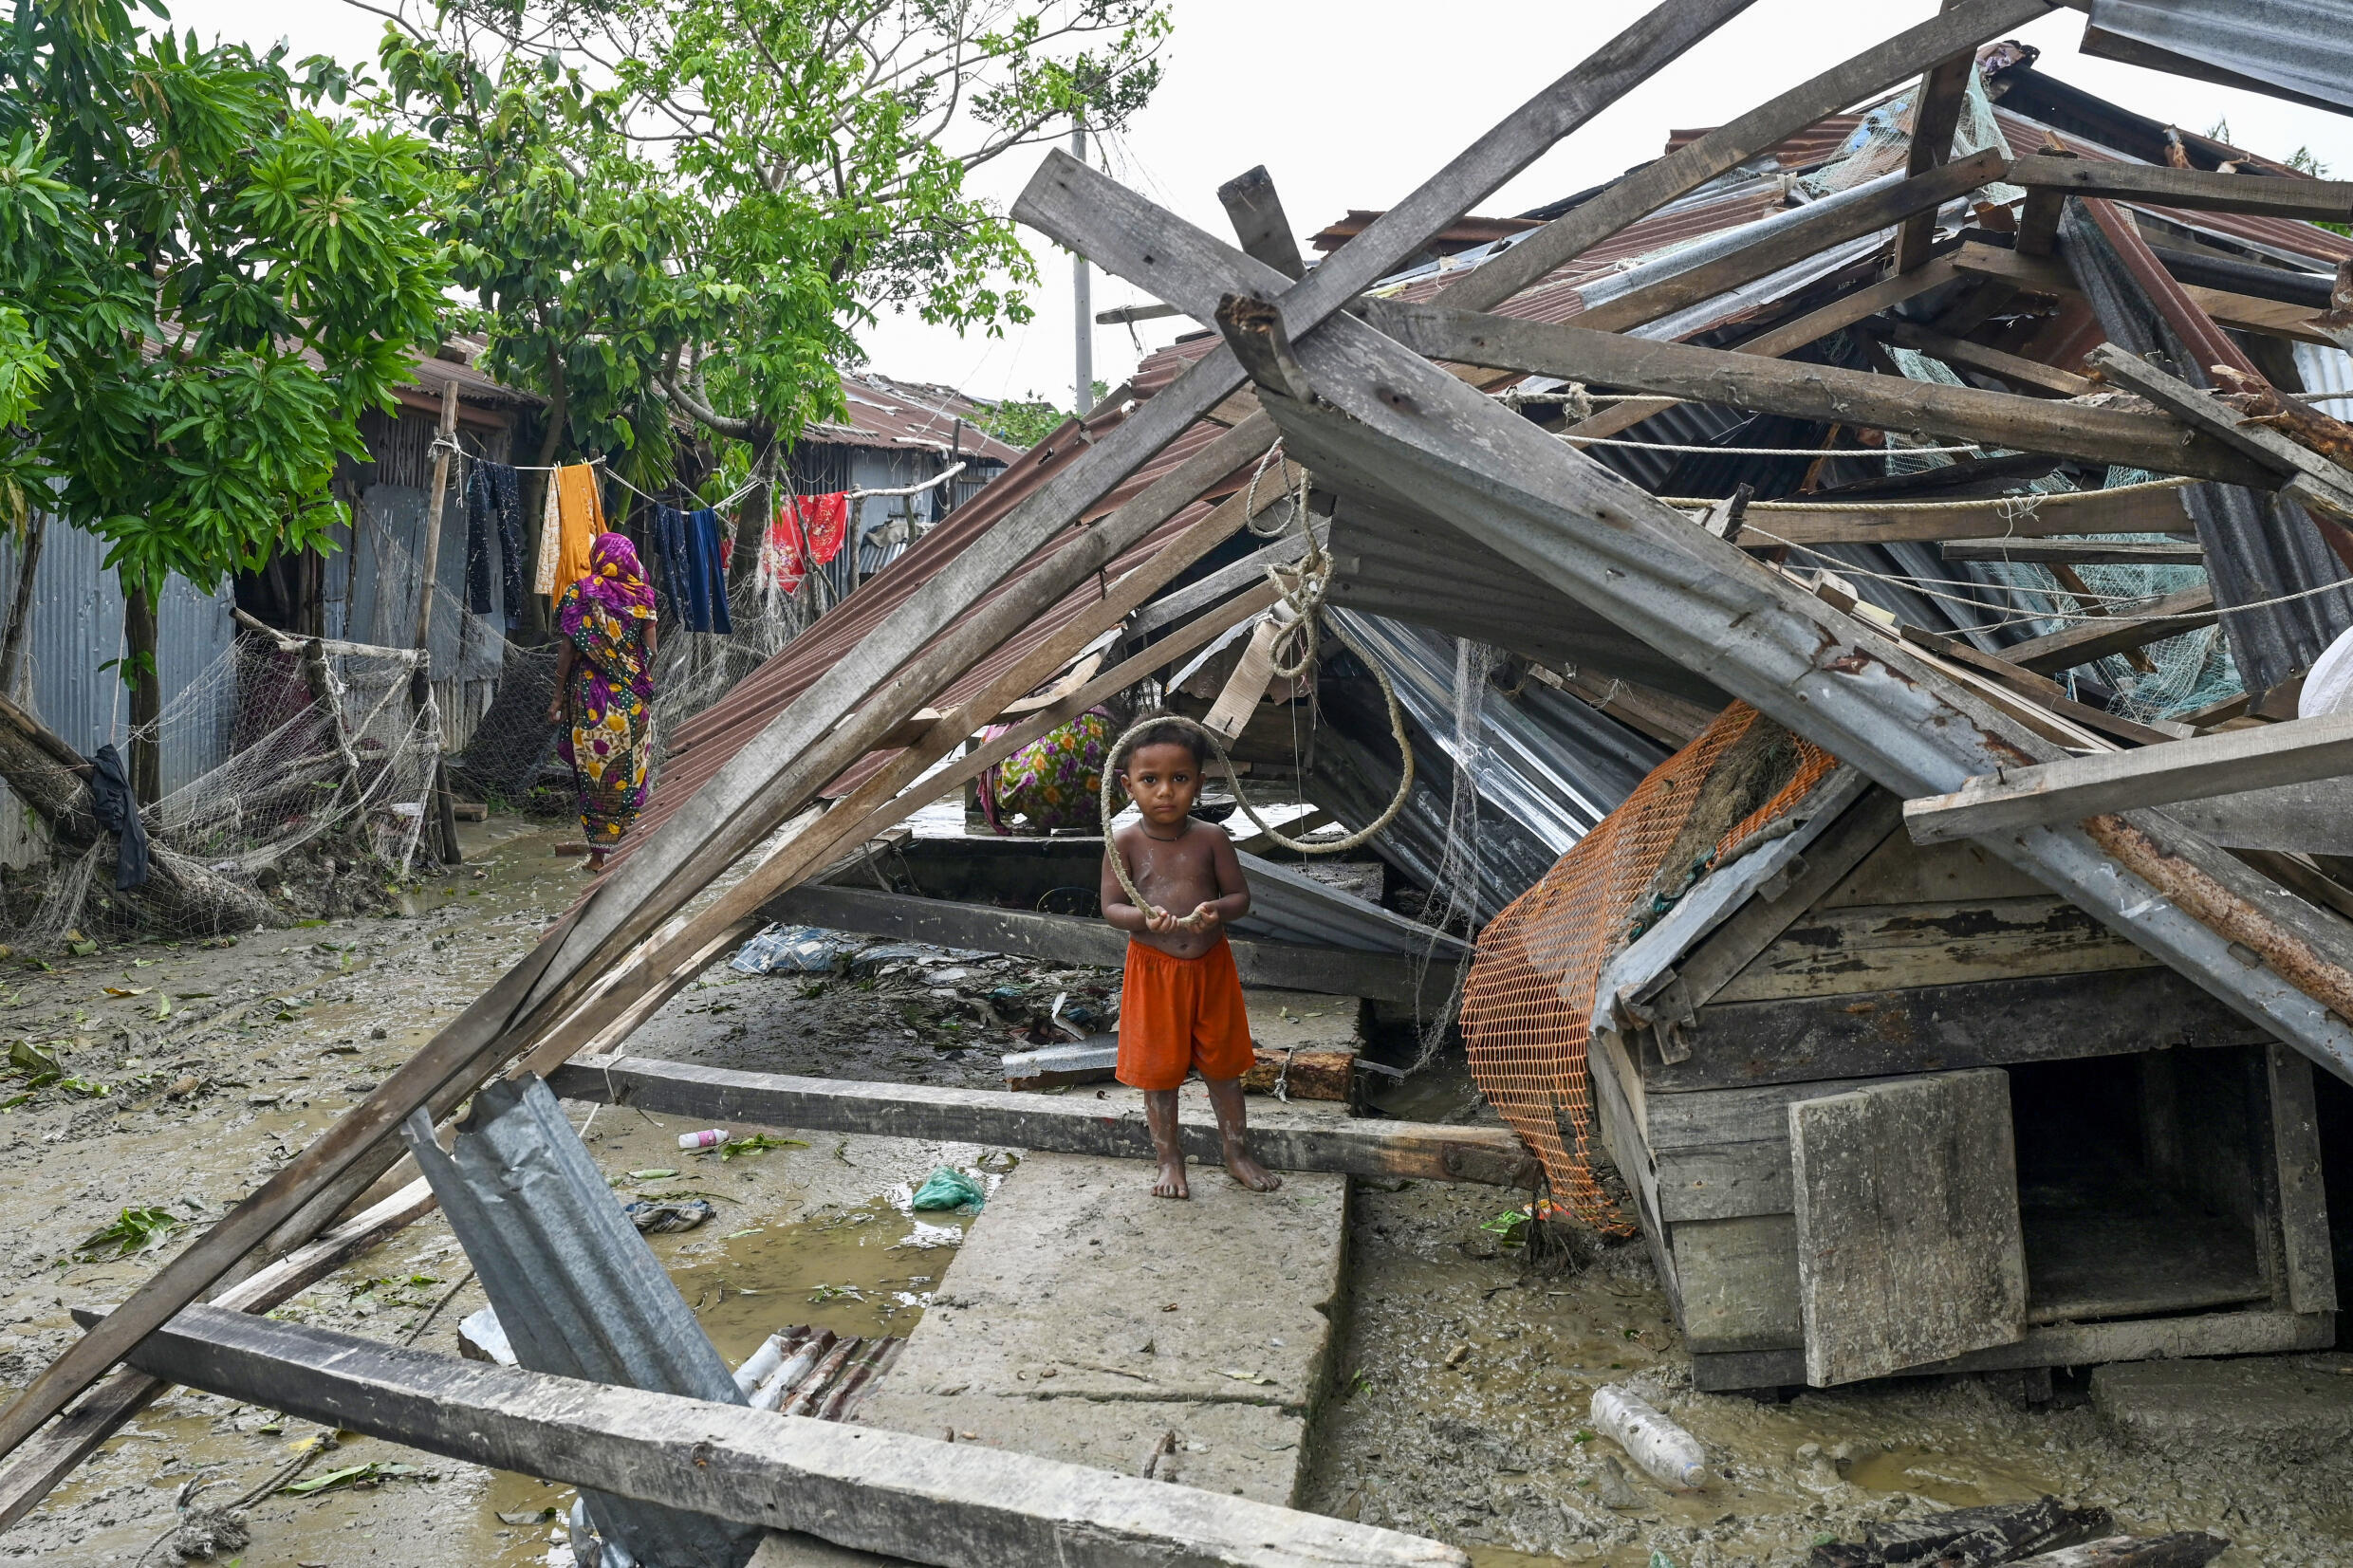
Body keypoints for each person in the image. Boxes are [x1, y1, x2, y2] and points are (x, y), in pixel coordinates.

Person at [1099, 718, 1280, 1200]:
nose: (1165, 792)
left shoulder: (1212, 838)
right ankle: (1168, 1159)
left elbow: (1240, 897)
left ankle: (1236, 1152)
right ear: (1127, 785)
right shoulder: (1124, 843)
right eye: (1149, 780)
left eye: (1180, 779)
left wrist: (1216, 911)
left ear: (1200, 783)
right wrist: (1142, 917)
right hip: (1154, 973)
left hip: (1210, 967)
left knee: (1223, 1067)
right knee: (1160, 1073)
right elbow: (1111, 907)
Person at [546, 530, 658, 874]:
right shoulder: (644, 596)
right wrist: (635, 674)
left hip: (591, 700)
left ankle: (597, 857)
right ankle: (626, 849)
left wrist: (557, 699)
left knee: (594, 778)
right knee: (630, 775)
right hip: (633, 705)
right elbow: (652, 651)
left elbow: (567, 649)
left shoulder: (581, 592)